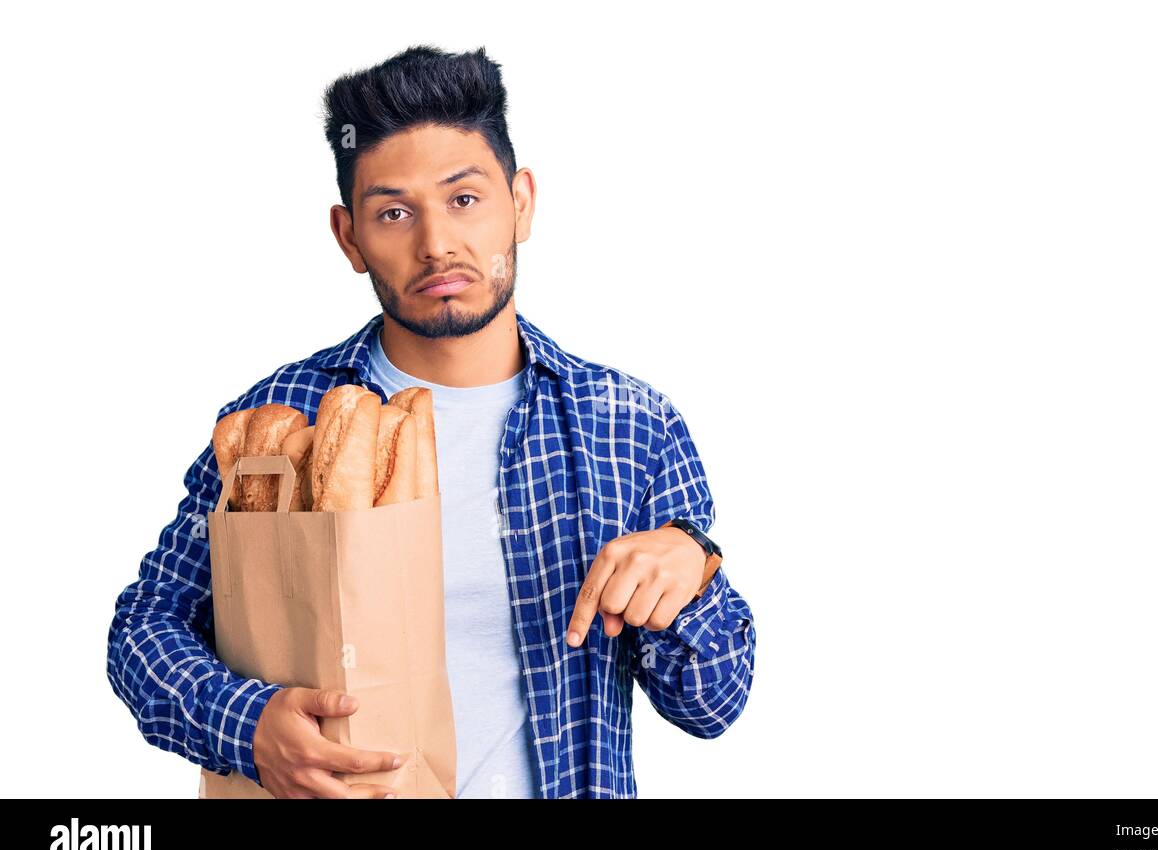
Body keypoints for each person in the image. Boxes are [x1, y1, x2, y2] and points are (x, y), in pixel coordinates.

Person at [106, 44, 755, 799]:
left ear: (523, 202)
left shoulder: (630, 425)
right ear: (349, 238)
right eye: (393, 212)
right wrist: (246, 725)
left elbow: (714, 703)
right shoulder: (274, 423)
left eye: (465, 199)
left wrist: (693, 579)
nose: (437, 242)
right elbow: (144, 630)